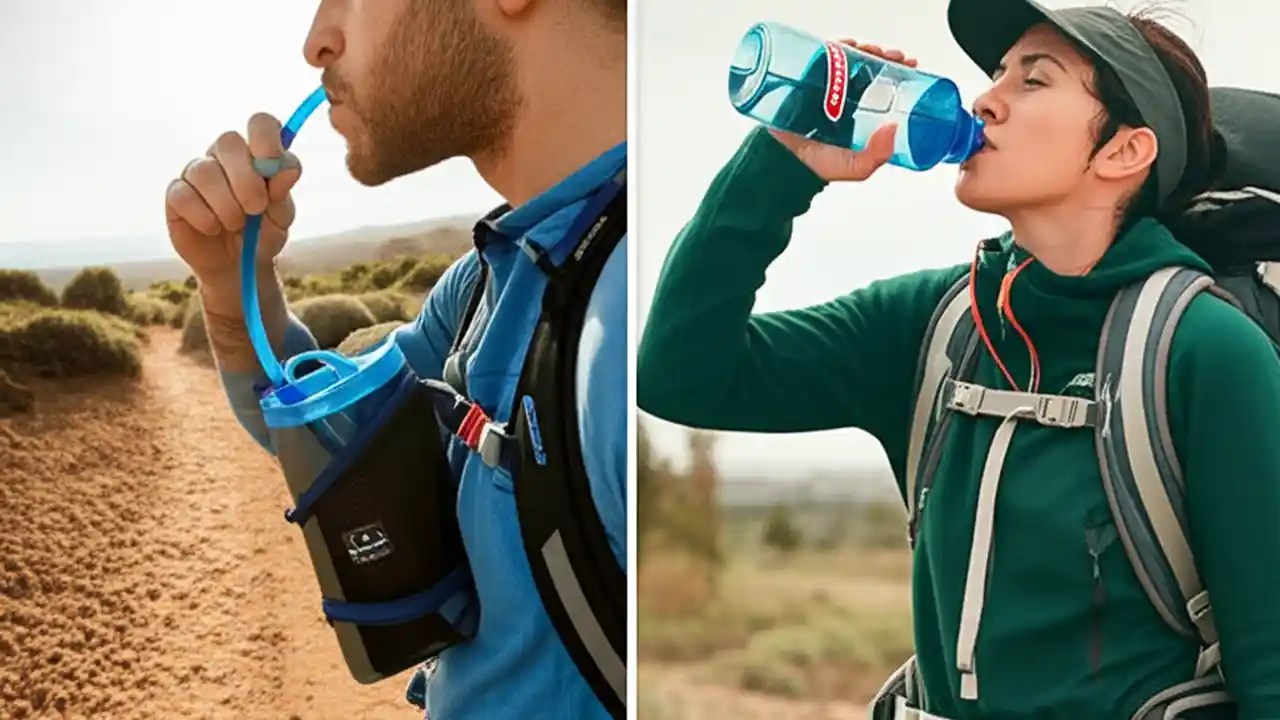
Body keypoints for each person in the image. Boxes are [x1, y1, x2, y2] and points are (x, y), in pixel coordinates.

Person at [637, 0, 1280, 717]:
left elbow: (1270, 671)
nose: (985, 99)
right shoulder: (935, 324)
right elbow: (680, 374)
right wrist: (782, 164)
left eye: (1034, 81)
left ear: (1124, 150)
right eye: (996, 75)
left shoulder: (1205, 350)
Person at [162, 1, 627, 718]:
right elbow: (332, 442)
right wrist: (235, 285)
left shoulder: (625, 314)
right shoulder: (488, 279)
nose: (317, 41)